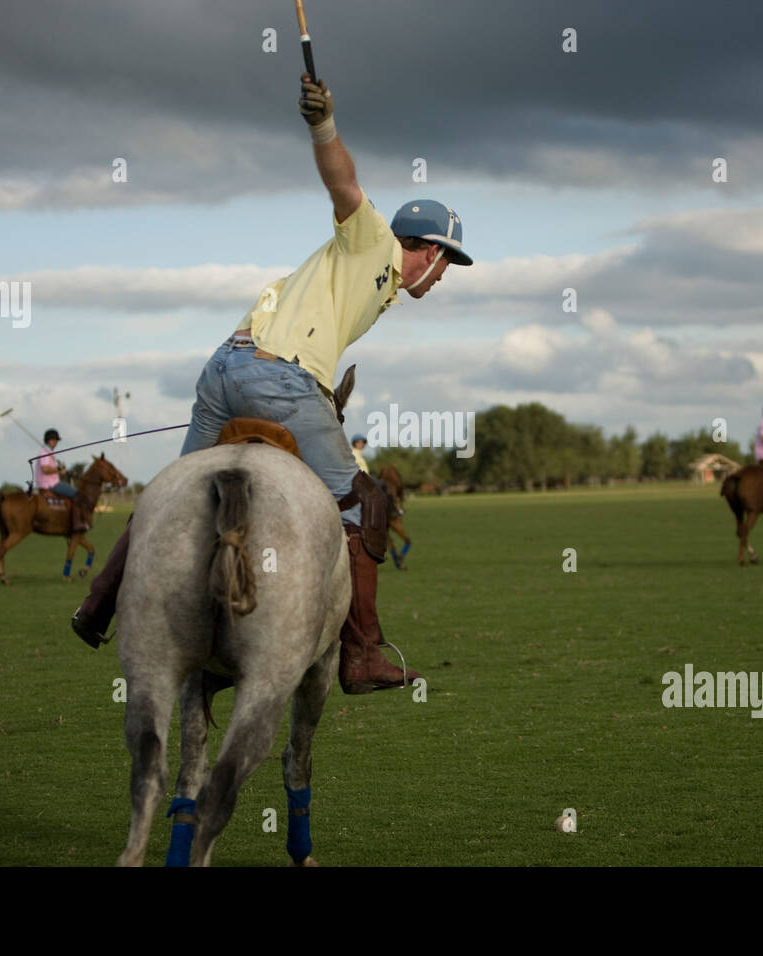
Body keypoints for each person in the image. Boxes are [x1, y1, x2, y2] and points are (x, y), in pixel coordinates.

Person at [71, 71, 473, 695]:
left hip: (221, 372)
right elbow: (342, 180)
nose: (445, 277)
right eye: (448, 262)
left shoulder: (372, 286)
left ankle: (99, 604)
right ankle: (363, 653)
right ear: (428, 250)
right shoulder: (372, 242)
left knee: (169, 495)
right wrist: (324, 125)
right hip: (280, 379)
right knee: (368, 502)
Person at [36, 428, 89, 533]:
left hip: (50, 483)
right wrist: (59, 469)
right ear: (49, 440)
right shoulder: (45, 452)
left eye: (56, 440)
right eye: (55, 440)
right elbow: (45, 469)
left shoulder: (48, 452)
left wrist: (60, 470)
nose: (56, 442)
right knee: (78, 494)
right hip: (50, 485)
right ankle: (77, 522)